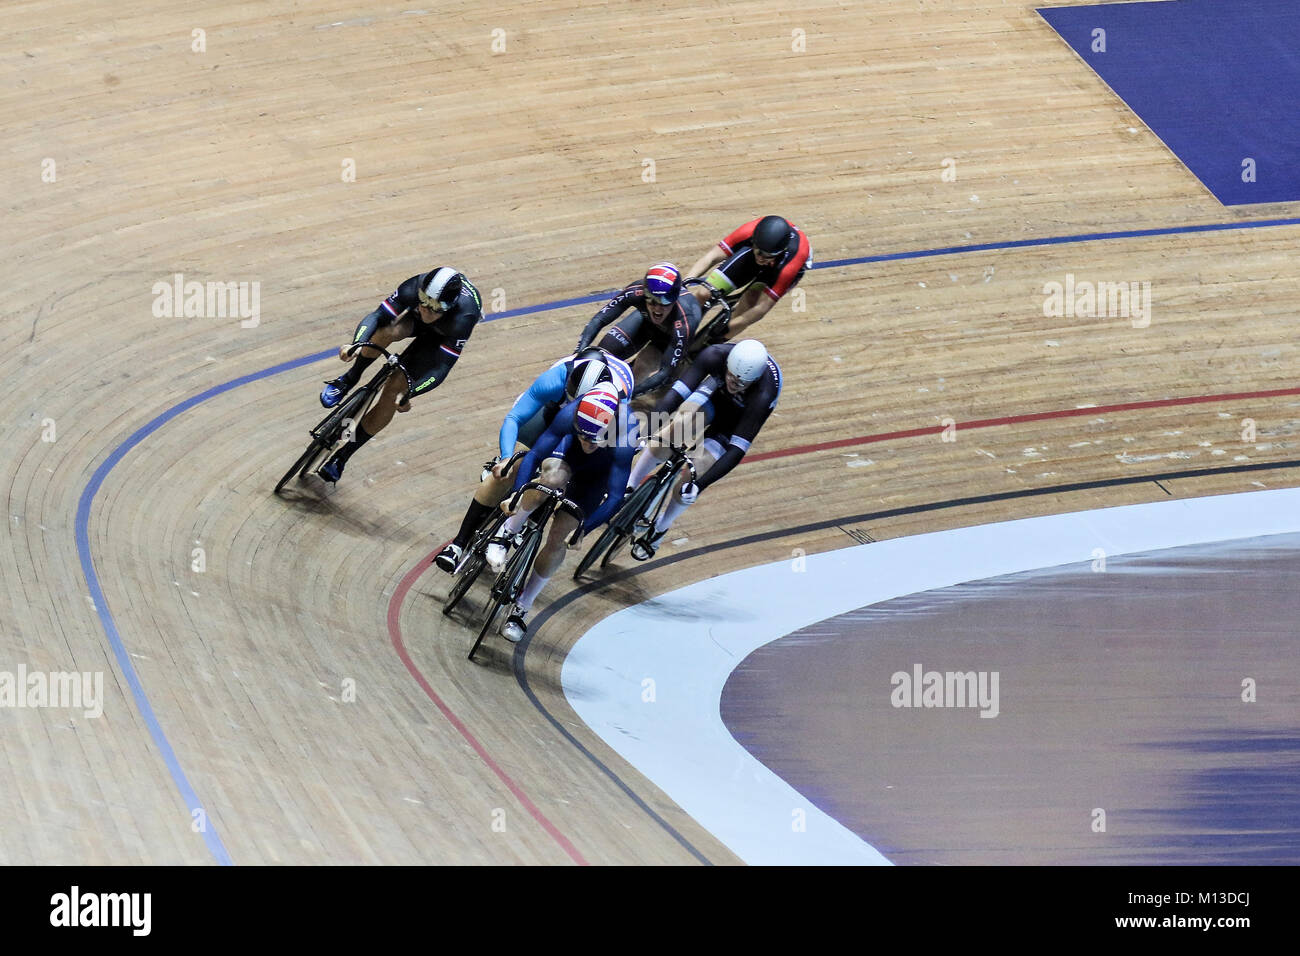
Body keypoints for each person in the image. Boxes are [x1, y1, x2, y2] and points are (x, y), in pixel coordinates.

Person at [434, 347, 633, 572]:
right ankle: (458, 544)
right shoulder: (556, 379)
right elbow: (515, 418)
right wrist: (506, 457)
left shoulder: (619, 405)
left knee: (562, 471)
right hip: (554, 415)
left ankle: (530, 517)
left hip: (590, 425)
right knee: (511, 469)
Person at [486, 382, 639, 642]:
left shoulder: (626, 434)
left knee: (560, 537)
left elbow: (614, 496)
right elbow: (534, 455)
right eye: (581, 434)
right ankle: (506, 532)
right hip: (566, 456)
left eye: (593, 440)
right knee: (551, 478)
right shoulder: (572, 413)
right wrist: (517, 494)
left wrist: (584, 529)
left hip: (596, 477)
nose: (585, 443)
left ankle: (522, 608)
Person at [316, 267, 483, 483]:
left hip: (440, 339)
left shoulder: (464, 318)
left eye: (435, 307)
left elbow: (441, 369)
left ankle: (342, 456)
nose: (426, 309)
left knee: (394, 391)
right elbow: (378, 316)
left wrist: (409, 394)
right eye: (423, 300)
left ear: (449, 307)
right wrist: (355, 344)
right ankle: (349, 378)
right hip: (412, 322)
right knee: (388, 330)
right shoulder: (414, 286)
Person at [624, 339, 780, 559]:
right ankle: (630, 484)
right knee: (676, 428)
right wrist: (645, 433)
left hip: (735, 420)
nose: (735, 384)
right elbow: (674, 396)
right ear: (728, 365)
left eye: (742, 382)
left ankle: (660, 528)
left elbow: (736, 450)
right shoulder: (714, 355)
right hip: (713, 396)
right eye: (732, 376)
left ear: (753, 380)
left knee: (694, 472)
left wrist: (699, 484)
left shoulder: (763, 393)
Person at [575, 263, 701, 399]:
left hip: (667, 339)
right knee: (599, 358)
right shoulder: (636, 291)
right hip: (644, 322)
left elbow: (665, 372)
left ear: (675, 298)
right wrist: (578, 354)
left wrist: (625, 396)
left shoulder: (685, 320)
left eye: (665, 301)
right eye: (651, 299)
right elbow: (599, 319)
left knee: (642, 368)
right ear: (644, 292)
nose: (657, 308)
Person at [684, 216, 812, 339]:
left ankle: (707, 347)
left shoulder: (790, 265)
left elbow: (762, 308)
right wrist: (684, 285)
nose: (762, 258)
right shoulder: (748, 231)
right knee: (703, 293)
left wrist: (729, 327)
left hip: (782, 266)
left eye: (768, 255)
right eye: (760, 252)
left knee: (748, 305)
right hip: (757, 251)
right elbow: (711, 257)